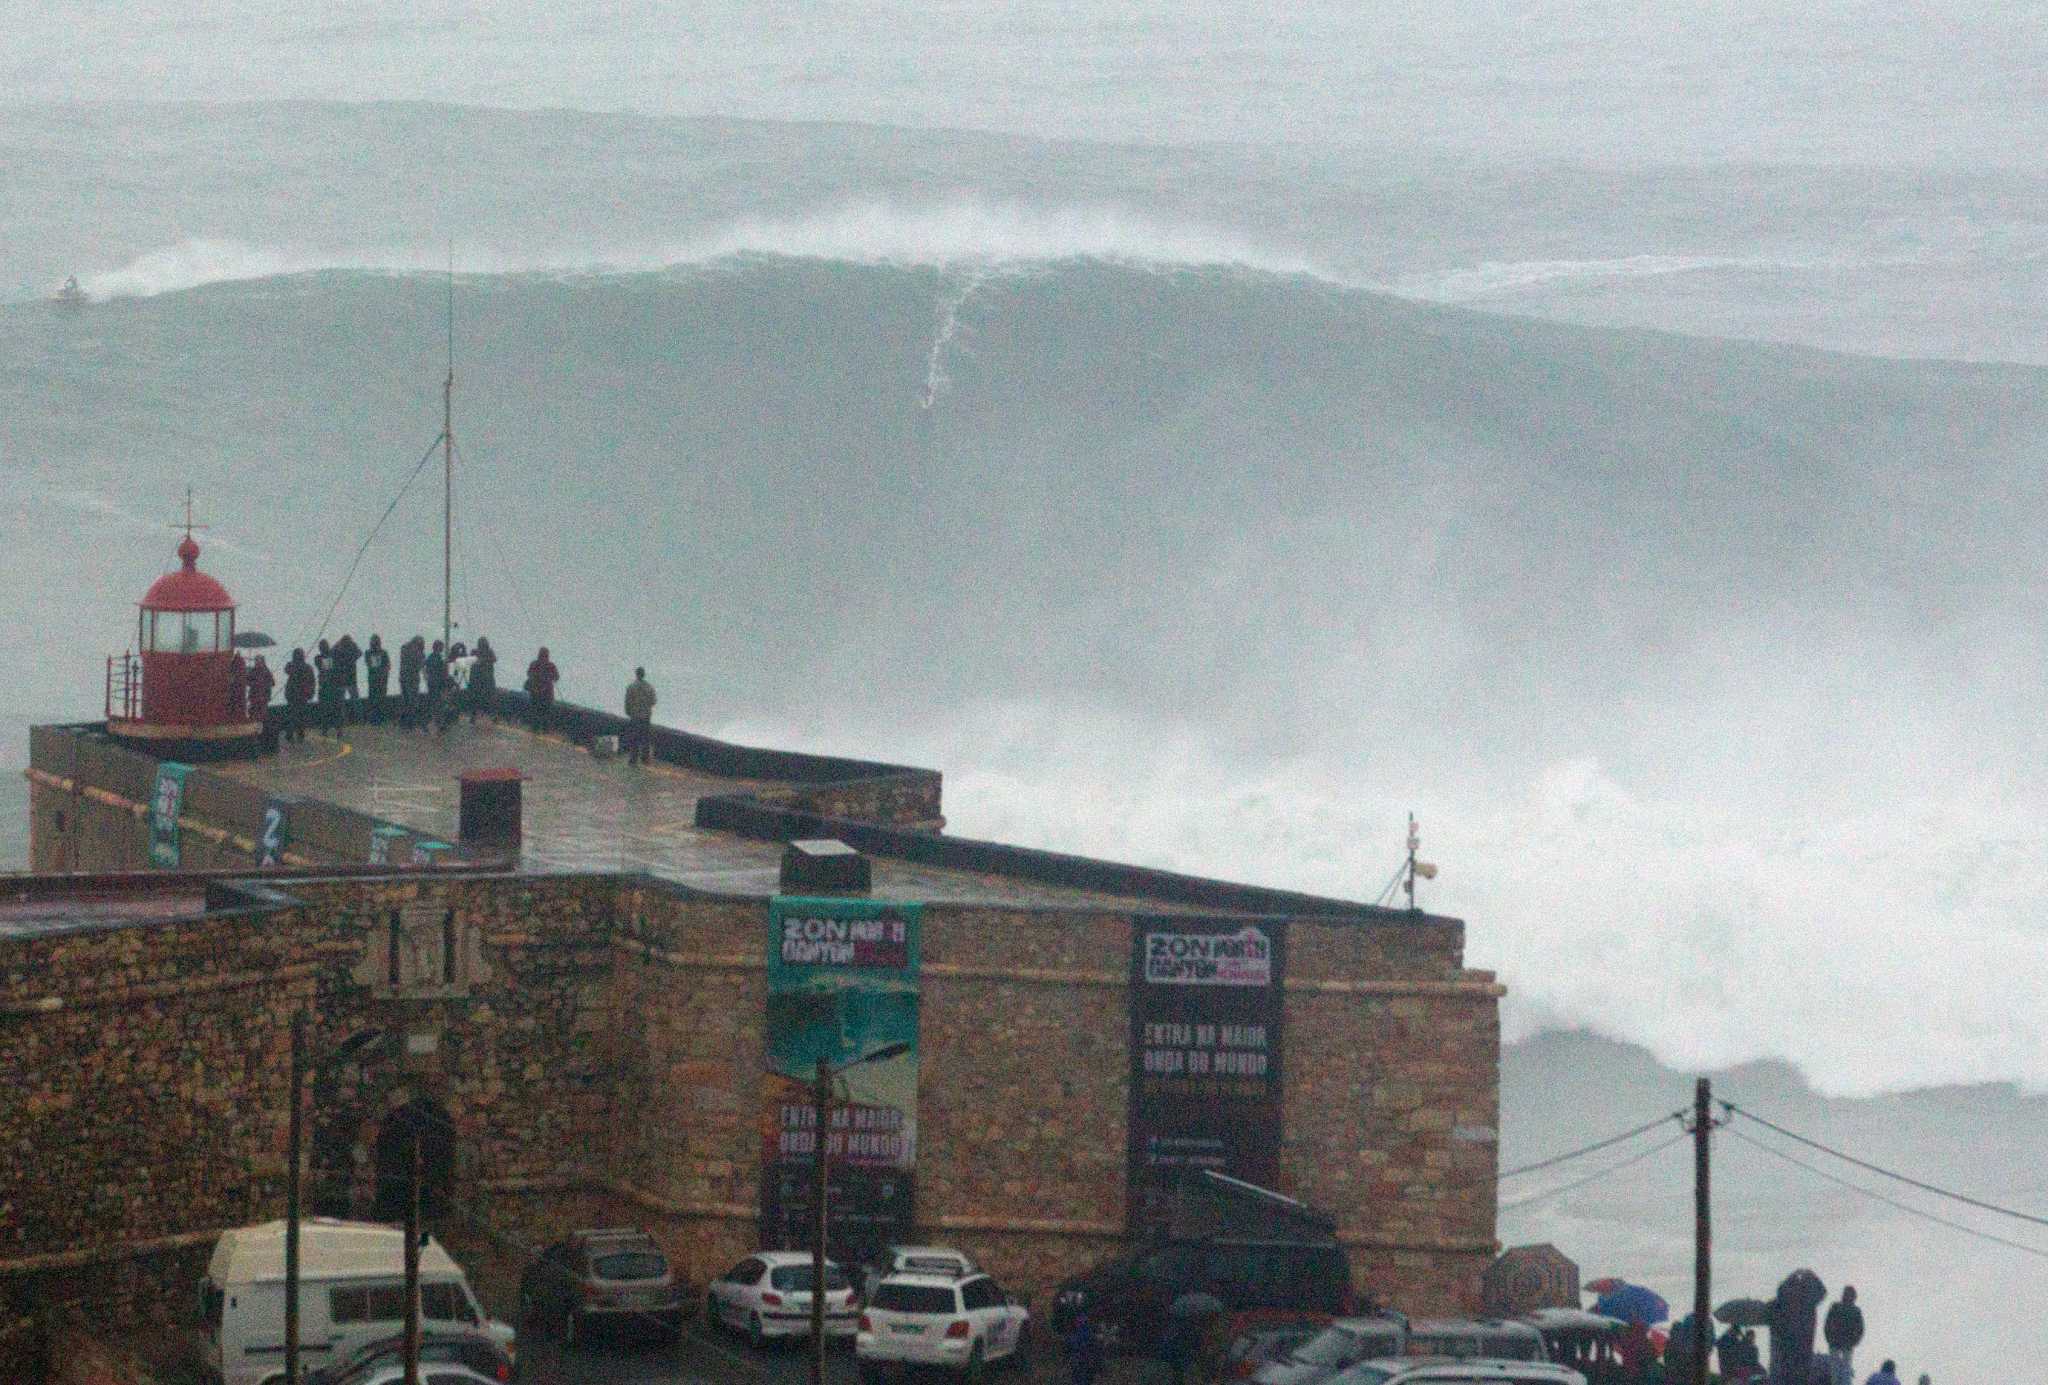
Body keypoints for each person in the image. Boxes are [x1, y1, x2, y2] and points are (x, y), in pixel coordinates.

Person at [1825, 1286, 1864, 1385]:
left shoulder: (1835, 1307)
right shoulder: (1855, 1311)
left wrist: (1829, 1339)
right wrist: (1854, 1342)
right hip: (1847, 1344)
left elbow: (1828, 1324)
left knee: (1835, 1370)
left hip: (1835, 1343)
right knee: (1845, 1370)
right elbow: (1860, 1329)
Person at [623, 667, 656, 765]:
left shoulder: (631, 687)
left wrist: (629, 711)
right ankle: (645, 759)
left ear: (636, 674)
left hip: (635, 715)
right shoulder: (649, 687)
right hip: (646, 715)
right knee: (645, 737)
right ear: (644, 674)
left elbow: (627, 702)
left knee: (634, 737)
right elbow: (653, 701)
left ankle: (633, 759)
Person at [282, 648, 315, 743]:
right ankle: (298, 734)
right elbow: (312, 681)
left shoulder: (293, 666)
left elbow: (287, 670)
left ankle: (291, 734)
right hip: (301, 694)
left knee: (293, 715)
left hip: (293, 694)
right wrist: (311, 692)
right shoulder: (307, 667)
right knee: (299, 715)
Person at [440, 642, 474, 734]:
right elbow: (446, 675)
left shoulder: (457, 661)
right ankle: (446, 723)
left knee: (454, 704)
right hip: (450, 687)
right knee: (449, 704)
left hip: (456, 686)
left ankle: (450, 721)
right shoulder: (449, 662)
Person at [524, 646, 560, 733]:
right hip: (547, 694)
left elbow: (528, 673)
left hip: (535, 692)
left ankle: (534, 729)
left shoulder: (534, 664)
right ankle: (545, 731)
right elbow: (556, 677)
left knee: (535, 712)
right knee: (546, 713)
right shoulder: (551, 666)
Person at [313, 638, 344, 737]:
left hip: (333, 687)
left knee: (335, 709)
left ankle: (337, 729)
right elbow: (327, 666)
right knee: (326, 709)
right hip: (327, 687)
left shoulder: (331, 656)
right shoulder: (319, 658)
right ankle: (326, 729)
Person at [1062, 1309, 1103, 1385]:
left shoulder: (1082, 1335)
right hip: (1083, 1362)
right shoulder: (1089, 1335)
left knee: (1081, 1378)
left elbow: (1070, 1346)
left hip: (1083, 1361)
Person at [331, 632, 362, 723]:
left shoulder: (340, 650)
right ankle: (356, 719)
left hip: (346, 679)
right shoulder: (350, 650)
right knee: (350, 700)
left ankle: (347, 719)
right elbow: (359, 653)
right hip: (347, 679)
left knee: (347, 701)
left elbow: (359, 653)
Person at [397, 635, 425, 729]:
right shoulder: (417, 652)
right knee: (412, 701)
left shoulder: (404, 648)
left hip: (404, 678)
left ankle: (404, 722)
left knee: (405, 701)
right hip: (412, 680)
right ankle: (410, 723)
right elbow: (420, 664)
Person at [422, 639, 448, 732]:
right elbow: (443, 673)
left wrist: (427, 677)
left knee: (432, 704)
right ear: (438, 647)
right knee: (438, 704)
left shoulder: (430, 657)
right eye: (441, 647)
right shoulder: (439, 659)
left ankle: (428, 724)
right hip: (438, 684)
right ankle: (439, 724)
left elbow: (424, 667)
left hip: (431, 684)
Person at [363, 635, 391, 724]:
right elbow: (370, 664)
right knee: (374, 700)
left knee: (381, 700)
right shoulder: (369, 653)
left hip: (381, 680)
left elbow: (387, 665)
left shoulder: (382, 653)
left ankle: (381, 718)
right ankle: (374, 719)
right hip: (374, 680)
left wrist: (384, 674)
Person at [469, 636, 497, 723]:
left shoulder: (489, 652)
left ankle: (492, 715)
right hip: (479, 679)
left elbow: (494, 659)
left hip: (486, 679)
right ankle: (474, 715)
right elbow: (472, 662)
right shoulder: (475, 652)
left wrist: (483, 660)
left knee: (489, 698)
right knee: (477, 698)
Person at [245, 654, 274, 723]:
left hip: (264, 697)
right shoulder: (253, 671)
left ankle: (262, 728)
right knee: (253, 713)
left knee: (262, 715)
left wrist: (264, 684)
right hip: (254, 697)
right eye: (256, 661)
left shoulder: (266, 671)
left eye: (258, 661)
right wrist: (254, 684)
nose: (257, 663)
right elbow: (247, 681)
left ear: (262, 662)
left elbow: (272, 683)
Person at [226, 651, 249, 722]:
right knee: (240, 701)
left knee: (234, 700)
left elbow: (233, 673)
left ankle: (232, 715)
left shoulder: (235, 663)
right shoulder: (242, 663)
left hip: (236, 686)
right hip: (240, 686)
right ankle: (240, 715)